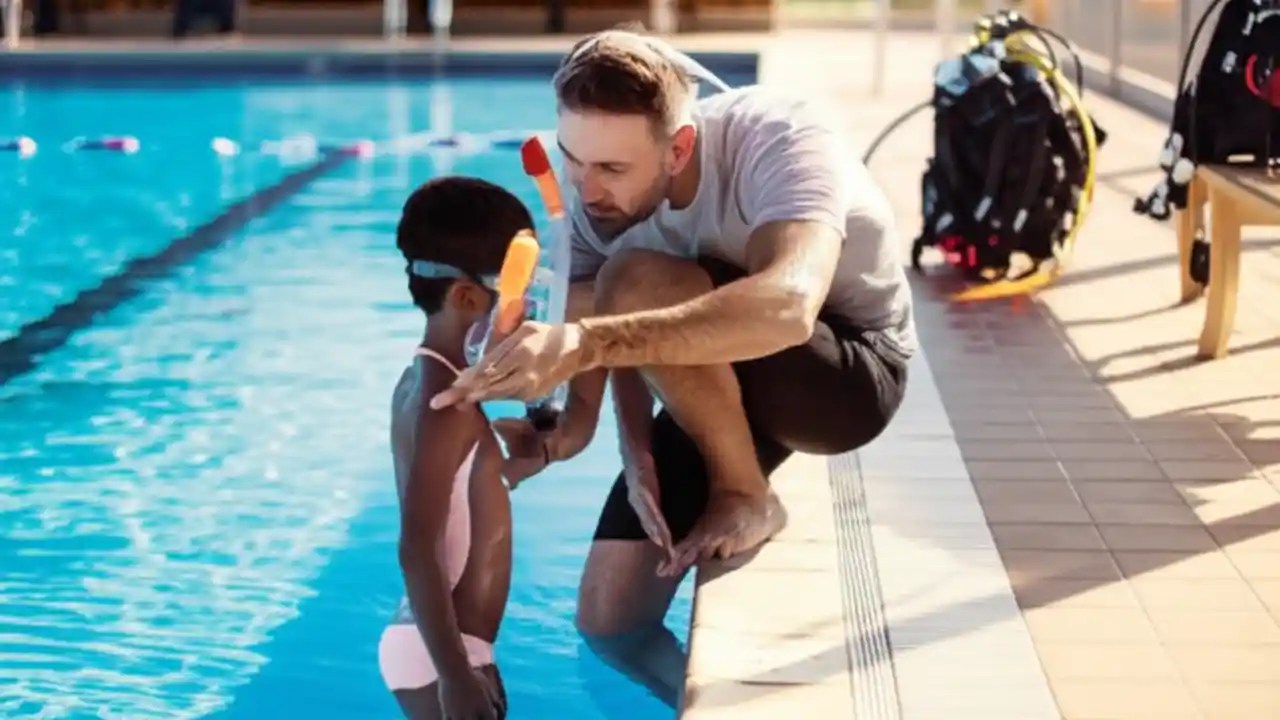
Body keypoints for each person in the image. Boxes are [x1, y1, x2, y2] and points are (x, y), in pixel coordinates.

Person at [430, 30, 915, 707]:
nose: (587, 188)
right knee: (610, 620)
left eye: (612, 170)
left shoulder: (776, 138)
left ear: (678, 148)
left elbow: (788, 307)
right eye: (573, 160)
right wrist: (568, 433)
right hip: (717, 375)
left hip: (847, 374)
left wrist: (586, 342)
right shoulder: (595, 204)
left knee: (628, 277)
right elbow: (593, 342)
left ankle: (746, 495)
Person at [379, 176, 555, 720]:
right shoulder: (443, 406)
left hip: (444, 646)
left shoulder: (431, 383)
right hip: (447, 654)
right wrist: (455, 678)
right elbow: (416, 547)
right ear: (465, 297)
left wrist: (536, 443)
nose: (523, 311)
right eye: (515, 295)